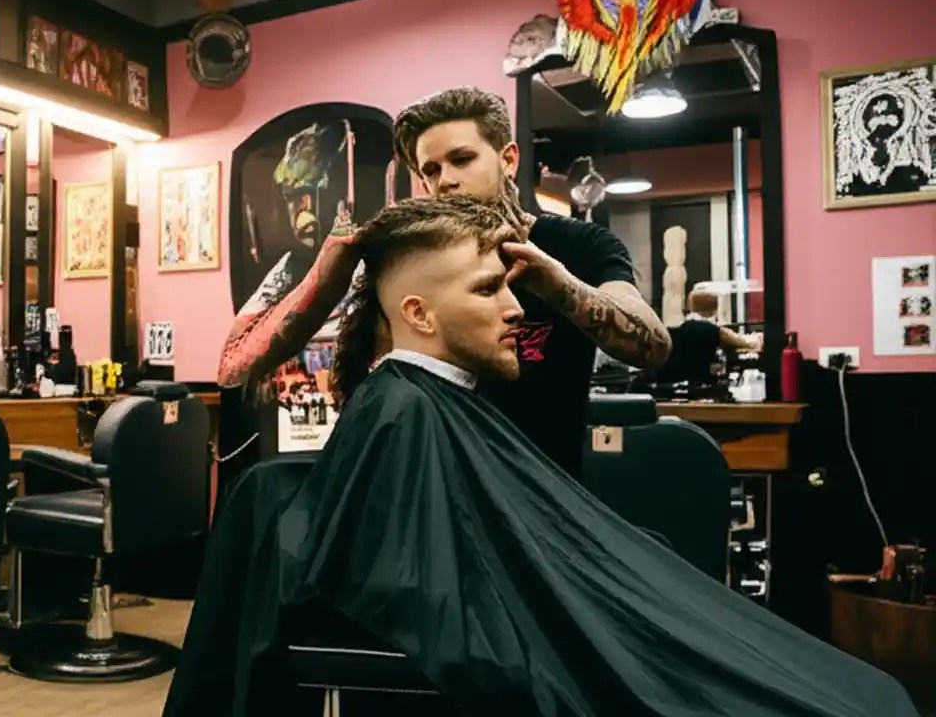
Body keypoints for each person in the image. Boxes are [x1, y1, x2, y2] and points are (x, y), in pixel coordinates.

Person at [164, 196, 918, 717]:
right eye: (489, 290)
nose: (518, 309)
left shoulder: (429, 403)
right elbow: (444, 614)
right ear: (418, 312)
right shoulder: (403, 415)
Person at [218, 86, 671, 479]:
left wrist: (557, 285)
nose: (445, 181)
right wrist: (327, 278)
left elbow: (652, 345)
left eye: (462, 159)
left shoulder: (579, 245)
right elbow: (234, 369)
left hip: (543, 501)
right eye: (430, 171)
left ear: (508, 159)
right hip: (433, 500)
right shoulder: (412, 258)